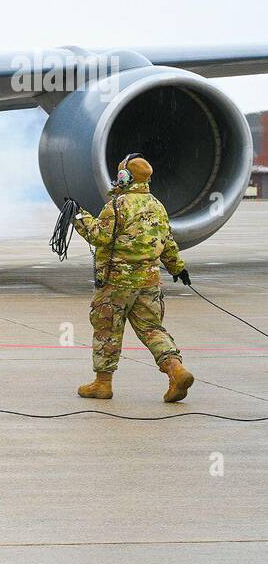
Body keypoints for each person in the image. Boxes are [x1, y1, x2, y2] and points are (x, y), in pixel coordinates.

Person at [72, 154, 195, 403]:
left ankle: (103, 384)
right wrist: (177, 269)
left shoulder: (118, 205)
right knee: (152, 329)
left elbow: (99, 236)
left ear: (124, 177)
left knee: (107, 329)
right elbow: (167, 243)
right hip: (148, 282)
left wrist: (78, 216)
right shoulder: (157, 205)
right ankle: (175, 370)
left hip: (116, 282)